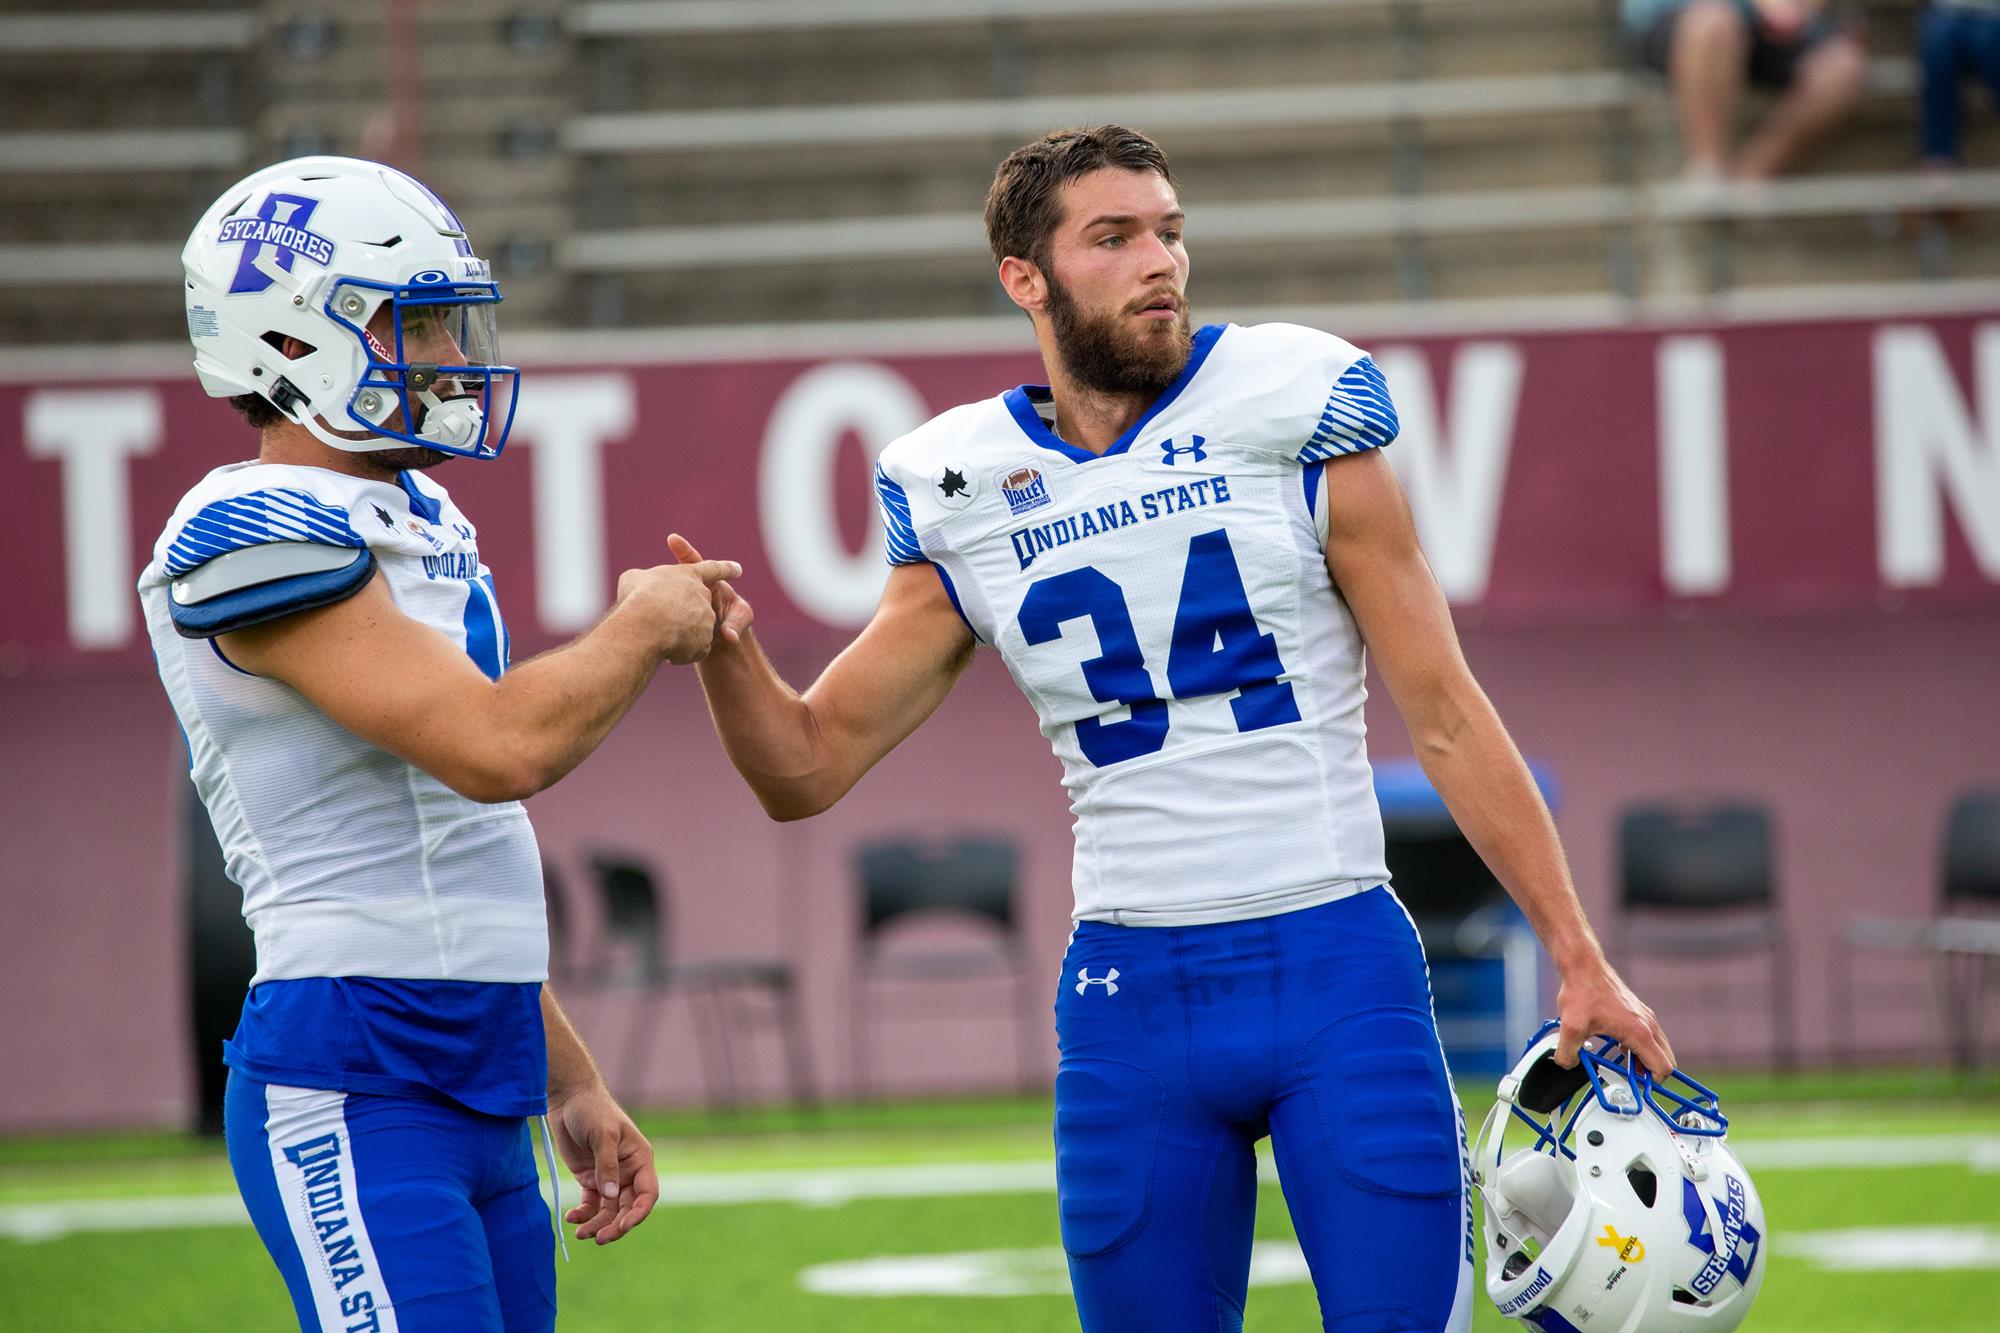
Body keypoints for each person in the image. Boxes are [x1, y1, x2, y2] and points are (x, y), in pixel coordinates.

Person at [674, 125, 1676, 1332]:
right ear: (1024, 279)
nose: (1161, 261)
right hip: (1127, 997)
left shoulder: (1289, 400)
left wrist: (1575, 949)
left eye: (1170, 229)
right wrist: (722, 654)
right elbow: (803, 764)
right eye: (1114, 237)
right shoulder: (961, 482)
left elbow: (1446, 713)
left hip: (1334, 963)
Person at [139, 156, 740, 1332]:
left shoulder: (419, 512)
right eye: (412, 327)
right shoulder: (244, 524)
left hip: (478, 1062)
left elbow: (457, 845)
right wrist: (640, 625)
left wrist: (566, 1076)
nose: (447, 357)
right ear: (296, 341)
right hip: (358, 1064)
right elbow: (495, 750)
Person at [1624, 0, 1868, 184]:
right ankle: (1707, 170)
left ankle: (1750, 178)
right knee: (1713, 20)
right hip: (1680, 18)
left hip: (1764, 23)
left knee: (1845, 65)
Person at [1918, 1, 2000, 182]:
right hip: (1945, 15)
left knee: (1990, 42)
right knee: (1938, 45)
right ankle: (1939, 159)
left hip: (1994, 18)